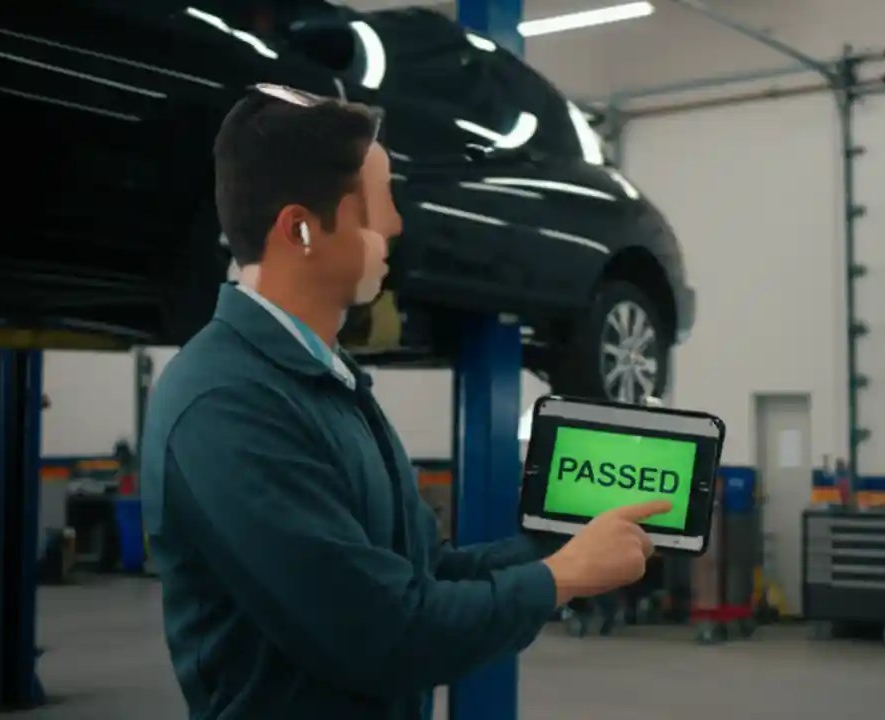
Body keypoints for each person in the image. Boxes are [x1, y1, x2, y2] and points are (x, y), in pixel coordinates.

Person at [139, 84, 669, 720]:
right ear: (300, 229)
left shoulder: (330, 382)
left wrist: (562, 545)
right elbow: (382, 633)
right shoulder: (227, 404)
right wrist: (563, 578)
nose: (393, 224)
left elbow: (424, 574)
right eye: (375, 204)